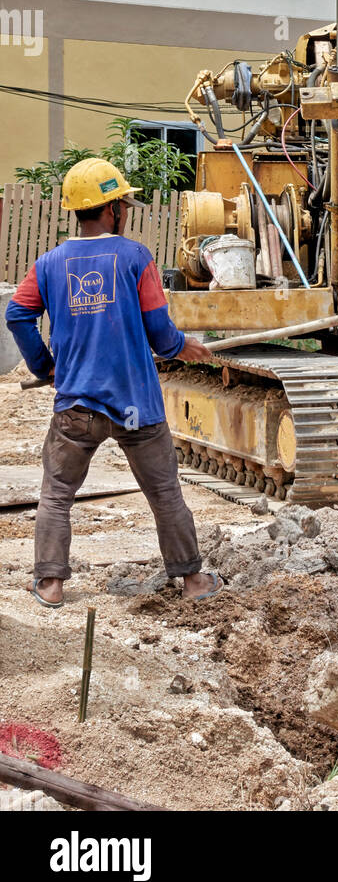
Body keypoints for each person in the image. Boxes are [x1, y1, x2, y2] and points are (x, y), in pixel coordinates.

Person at [4, 158, 221, 608]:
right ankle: (193, 581)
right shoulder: (136, 257)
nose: (126, 209)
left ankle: (50, 584)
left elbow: (17, 314)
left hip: (76, 407)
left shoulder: (49, 264)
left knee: (57, 495)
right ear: (112, 209)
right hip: (135, 405)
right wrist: (185, 346)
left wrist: (45, 367)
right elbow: (161, 337)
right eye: (123, 202)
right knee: (164, 493)